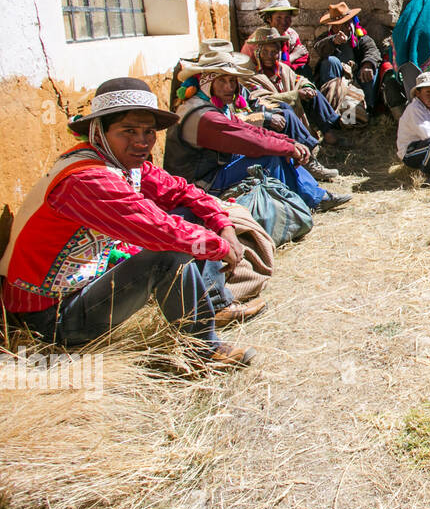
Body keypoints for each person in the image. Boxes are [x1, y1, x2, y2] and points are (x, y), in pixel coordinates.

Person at [1, 78, 256, 367]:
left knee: (193, 214)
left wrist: (223, 225)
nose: (141, 142)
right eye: (128, 131)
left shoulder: (121, 163)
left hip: (84, 286)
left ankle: (214, 304)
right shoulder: (87, 179)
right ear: (99, 132)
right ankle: (203, 351)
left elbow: (181, 191)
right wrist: (221, 247)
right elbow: (160, 230)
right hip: (53, 318)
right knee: (170, 256)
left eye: (149, 132)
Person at [164, 50, 351, 214]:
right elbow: (249, 141)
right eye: (221, 81)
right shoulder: (205, 116)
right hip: (199, 184)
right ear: (207, 83)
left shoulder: (211, 106)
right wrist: (287, 147)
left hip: (213, 170)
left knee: (277, 149)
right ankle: (312, 200)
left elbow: (247, 129)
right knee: (270, 156)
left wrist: (288, 142)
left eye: (232, 81)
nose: (229, 87)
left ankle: (315, 194)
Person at [244, 26, 343, 178]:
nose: (270, 56)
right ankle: (309, 158)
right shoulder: (251, 75)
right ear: (258, 52)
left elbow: (299, 80)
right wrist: (295, 95)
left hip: (290, 109)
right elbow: (261, 99)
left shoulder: (282, 69)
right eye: (265, 52)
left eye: (274, 52)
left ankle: (331, 132)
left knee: (313, 93)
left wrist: (307, 88)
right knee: (285, 109)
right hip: (270, 118)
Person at [313, 2, 382, 117]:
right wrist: (333, 41)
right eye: (338, 26)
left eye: (346, 24)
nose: (344, 28)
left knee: (371, 70)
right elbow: (318, 48)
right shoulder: (326, 38)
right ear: (333, 27)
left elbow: (372, 50)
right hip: (338, 81)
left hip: (357, 79)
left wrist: (367, 65)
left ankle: (367, 110)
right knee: (330, 61)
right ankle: (331, 109)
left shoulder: (360, 38)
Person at [239, 0, 310, 73]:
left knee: (304, 69)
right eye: (279, 17)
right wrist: (293, 56)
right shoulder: (258, 40)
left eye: (287, 17)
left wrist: (289, 69)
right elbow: (267, 67)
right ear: (269, 18)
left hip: (284, 73)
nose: (284, 22)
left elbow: (303, 56)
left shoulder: (291, 35)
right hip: (260, 75)